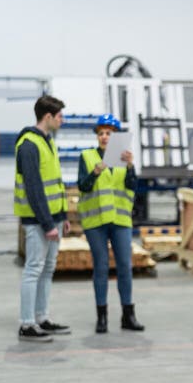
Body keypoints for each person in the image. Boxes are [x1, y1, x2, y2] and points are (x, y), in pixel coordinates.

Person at [77, 114, 144, 333]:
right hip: (96, 222)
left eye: (109, 133)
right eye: (101, 133)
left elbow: (132, 186)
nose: (105, 137)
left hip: (120, 220)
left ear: (116, 137)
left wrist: (131, 166)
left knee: (125, 266)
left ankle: (128, 315)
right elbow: (83, 187)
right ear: (97, 136)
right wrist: (95, 172)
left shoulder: (125, 160)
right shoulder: (87, 156)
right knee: (101, 268)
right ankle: (102, 317)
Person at [14, 95, 72, 342]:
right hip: (38, 221)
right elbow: (34, 188)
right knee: (33, 269)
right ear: (47, 117)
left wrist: (63, 216)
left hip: (54, 217)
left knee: (47, 270)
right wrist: (48, 224)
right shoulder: (29, 145)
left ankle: (41, 317)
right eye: (59, 116)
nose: (63, 120)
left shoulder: (48, 141)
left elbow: (55, 183)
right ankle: (27, 324)